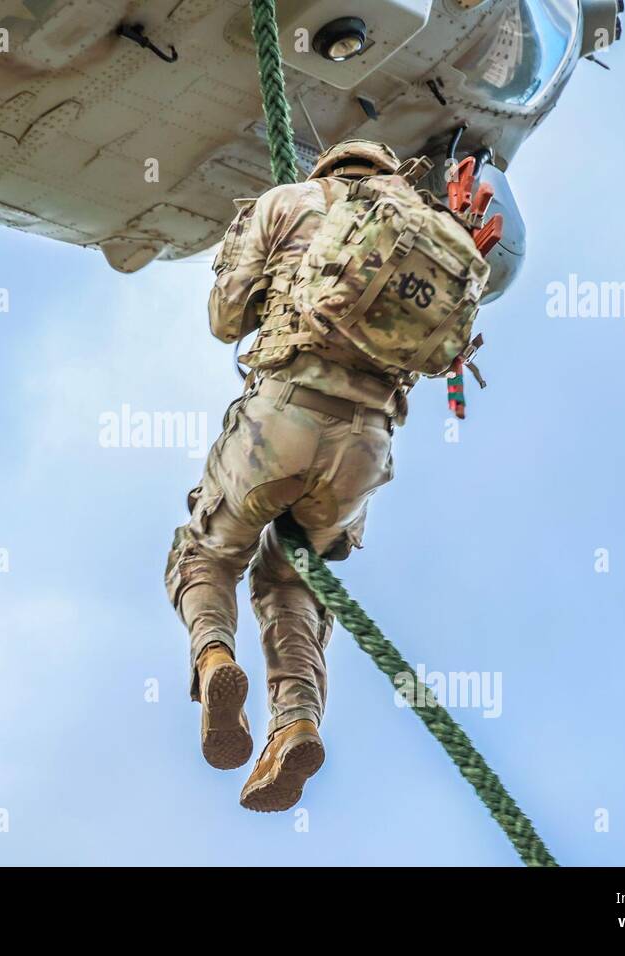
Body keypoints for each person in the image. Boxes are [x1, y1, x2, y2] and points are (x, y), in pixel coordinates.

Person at [164, 140, 420, 812]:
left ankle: (217, 661)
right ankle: (297, 723)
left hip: (282, 416)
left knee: (206, 552)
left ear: (327, 170)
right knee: (291, 578)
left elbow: (226, 319)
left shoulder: (288, 202)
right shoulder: (425, 231)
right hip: (367, 446)